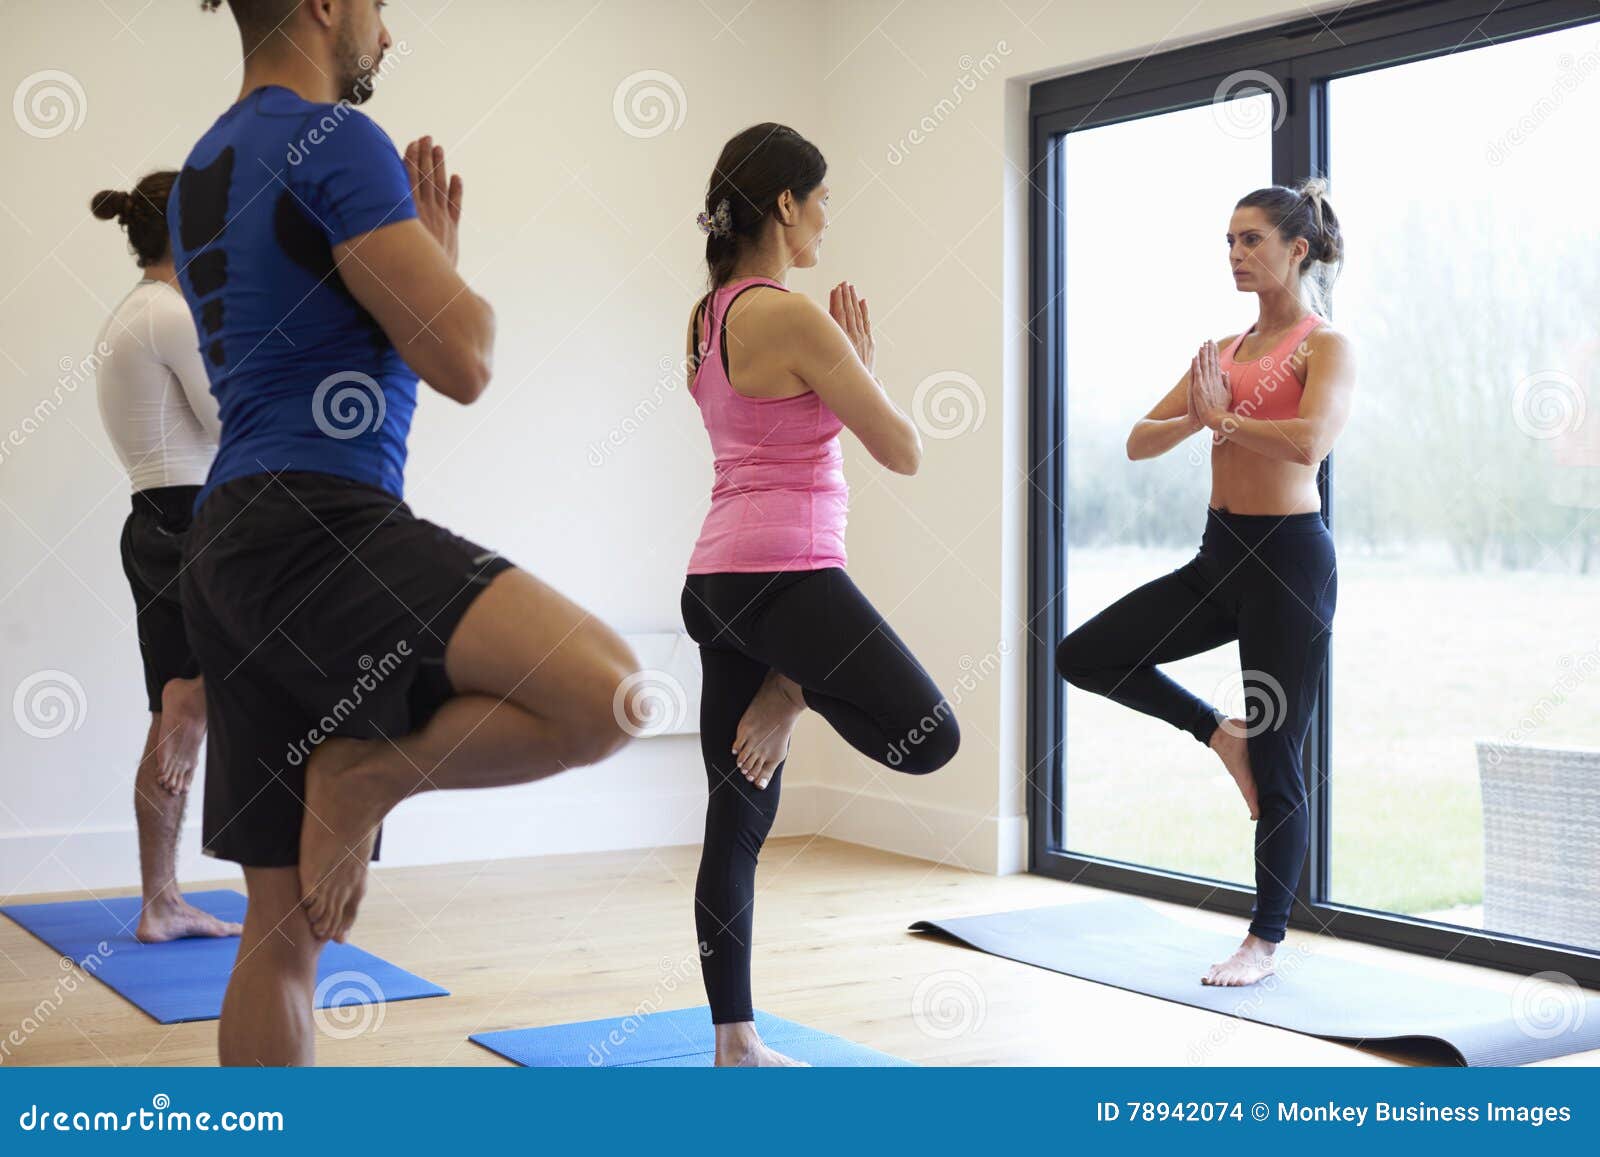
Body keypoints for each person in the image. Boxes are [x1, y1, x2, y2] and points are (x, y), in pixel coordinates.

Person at [174, 0, 643, 1065]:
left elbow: (332, 336)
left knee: (279, 932)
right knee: (611, 692)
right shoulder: (337, 139)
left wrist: (415, 268)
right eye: (380, 7)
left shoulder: (202, 166)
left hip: (228, 542)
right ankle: (367, 772)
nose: (386, 34)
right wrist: (446, 268)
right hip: (319, 527)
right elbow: (464, 358)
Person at [681, 123, 961, 1066]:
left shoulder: (705, 317)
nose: (827, 219)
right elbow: (903, 449)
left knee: (737, 816)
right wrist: (862, 369)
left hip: (716, 581)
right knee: (930, 736)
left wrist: (846, 369)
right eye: (822, 199)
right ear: (785, 204)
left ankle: (735, 1039)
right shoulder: (795, 317)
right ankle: (791, 685)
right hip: (789, 575)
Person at [1056, 178, 1356, 987]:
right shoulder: (1220, 351)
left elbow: (1309, 441)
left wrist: (1223, 420)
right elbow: (1138, 440)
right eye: (1229, 240)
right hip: (1218, 558)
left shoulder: (1325, 346)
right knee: (1084, 654)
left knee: (1280, 757)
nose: (1235, 254)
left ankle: (1264, 940)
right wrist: (1197, 413)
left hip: (1289, 567)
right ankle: (1220, 734)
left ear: (1297, 249)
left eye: (1251, 239)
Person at [91, 171, 241, 945]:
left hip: (160, 520)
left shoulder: (140, 310)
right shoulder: (172, 314)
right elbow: (228, 421)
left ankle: (161, 902)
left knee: (173, 710)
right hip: (192, 520)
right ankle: (197, 697)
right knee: (253, 664)